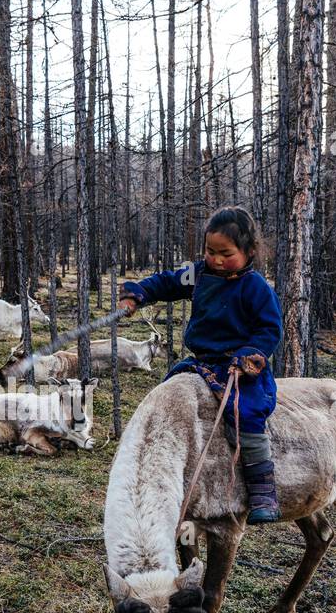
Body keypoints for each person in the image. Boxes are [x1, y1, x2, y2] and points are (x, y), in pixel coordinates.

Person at [119, 207, 283, 522]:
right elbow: (166, 283)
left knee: (247, 414)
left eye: (226, 253)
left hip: (240, 368)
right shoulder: (200, 274)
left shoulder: (256, 288)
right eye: (210, 251)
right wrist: (138, 295)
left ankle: (263, 488)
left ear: (248, 252)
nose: (216, 260)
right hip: (201, 363)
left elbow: (269, 329)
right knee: (167, 398)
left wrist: (250, 353)